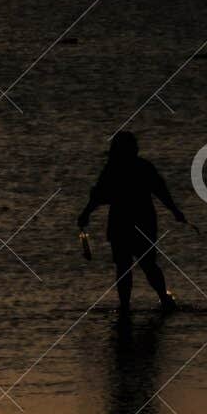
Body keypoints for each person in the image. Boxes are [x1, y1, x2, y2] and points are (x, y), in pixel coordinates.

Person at [77, 131, 185, 312]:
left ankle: (127, 307)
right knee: (144, 264)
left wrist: (86, 213)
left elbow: (99, 195)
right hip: (141, 221)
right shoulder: (143, 167)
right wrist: (174, 210)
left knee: (127, 265)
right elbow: (161, 191)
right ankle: (162, 301)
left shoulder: (113, 169)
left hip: (125, 221)